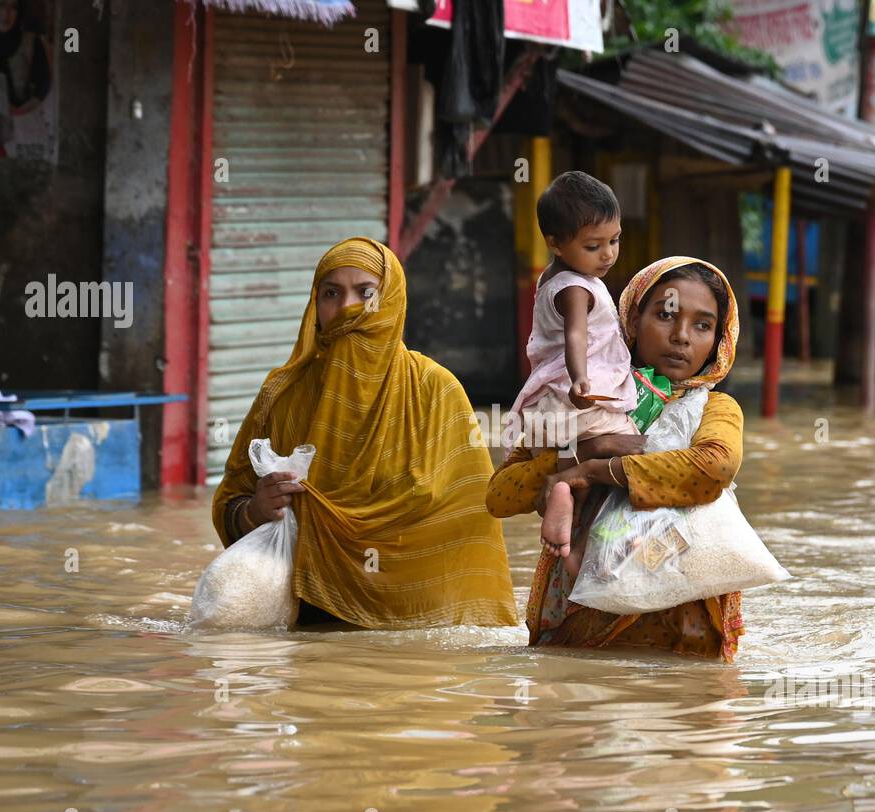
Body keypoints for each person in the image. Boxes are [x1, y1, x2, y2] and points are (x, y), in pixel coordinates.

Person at [212, 237, 518, 630]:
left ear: (391, 300)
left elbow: (469, 523)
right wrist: (255, 511)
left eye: (366, 293)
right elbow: (230, 503)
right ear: (314, 304)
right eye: (331, 293)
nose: (346, 309)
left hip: (414, 633)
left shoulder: (434, 391)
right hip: (308, 621)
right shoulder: (282, 394)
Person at [487, 256, 746, 663]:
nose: (682, 337)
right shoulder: (583, 400)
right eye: (665, 315)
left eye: (702, 326)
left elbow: (712, 468)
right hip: (581, 612)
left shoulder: (715, 409)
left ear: (719, 340)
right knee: (575, 707)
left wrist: (591, 471)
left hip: (681, 621)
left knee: (683, 713)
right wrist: (581, 451)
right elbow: (499, 495)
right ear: (631, 319)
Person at [506, 171, 640, 577]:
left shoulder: (555, 278)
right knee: (634, 446)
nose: (608, 254)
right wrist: (580, 378)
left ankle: (574, 542)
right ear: (555, 243)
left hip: (552, 405)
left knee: (589, 488)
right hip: (577, 398)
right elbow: (576, 335)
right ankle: (571, 479)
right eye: (593, 246)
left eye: (614, 240)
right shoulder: (574, 289)